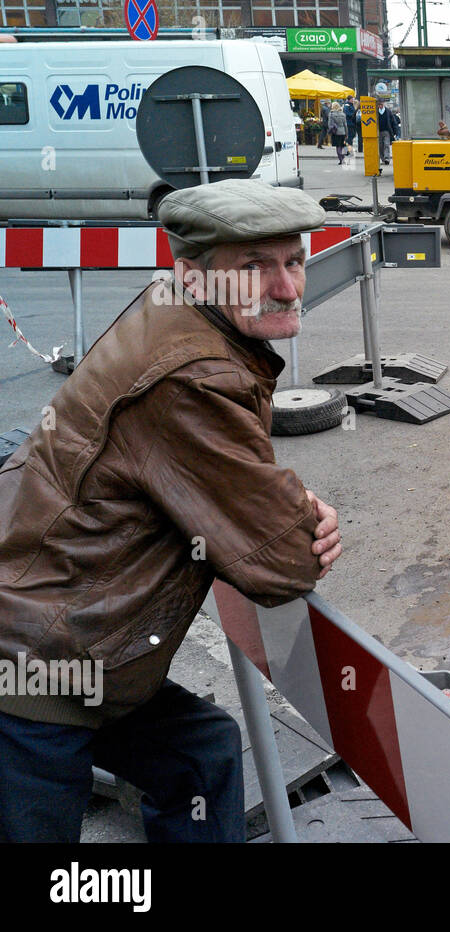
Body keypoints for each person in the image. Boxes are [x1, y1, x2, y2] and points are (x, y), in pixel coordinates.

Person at [0, 180, 342, 842]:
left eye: (293, 261)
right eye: (254, 268)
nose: (287, 287)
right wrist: (298, 513)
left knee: (200, 755)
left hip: (82, 644)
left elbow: (232, 495)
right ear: (195, 274)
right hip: (34, 660)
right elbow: (284, 559)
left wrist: (268, 501)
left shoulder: (175, 309)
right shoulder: (193, 374)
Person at [377, 99, 397, 164]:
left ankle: (387, 159)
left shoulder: (388, 111)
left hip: (387, 131)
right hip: (379, 131)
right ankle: (382, 159)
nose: (380, 106)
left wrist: (395, 131)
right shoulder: (376, 112)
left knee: (386, 144)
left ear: (383, 104)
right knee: (380, 146)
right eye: (379, 105)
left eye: (381, 104)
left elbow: (393, 121)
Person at [327, 100, 348, 165]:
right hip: (343, 132)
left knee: (338, 146)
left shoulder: (331, 114)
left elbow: (330, 124)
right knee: (342, 145)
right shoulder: (343, 114)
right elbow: (345, 125)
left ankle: (341, 159)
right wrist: (346, 133)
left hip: (335, 132)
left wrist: (330, 131)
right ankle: (343, 158)